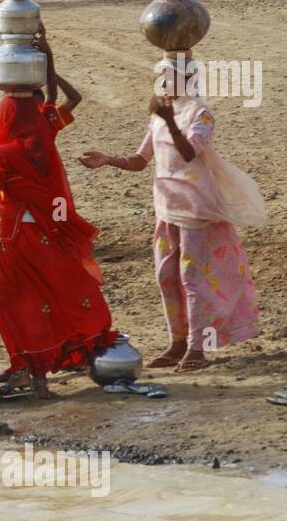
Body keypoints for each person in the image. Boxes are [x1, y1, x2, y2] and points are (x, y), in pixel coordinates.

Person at [80, 57, 265, 371]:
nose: (162, 83)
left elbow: (190, 152)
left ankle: (197, 347)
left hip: (195, 208)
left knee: (193, 278)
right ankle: (177, 341)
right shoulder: (161, 115)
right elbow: (141, 159)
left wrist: (168, 121)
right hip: (166, 207)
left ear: (187, 79)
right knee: (167, 276)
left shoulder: (200, 113)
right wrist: (108, 159)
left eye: (167, 76)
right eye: (160, 77)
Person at [0, 89, 115, 398]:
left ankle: (31, 370)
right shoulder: (46, 134)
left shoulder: (2, 152)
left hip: (19, 236)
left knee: (12, 301)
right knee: (50, 295)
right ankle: (42, 370)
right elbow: (69, 97)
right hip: (50, 232)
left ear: (5, 117)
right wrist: (45, 58)